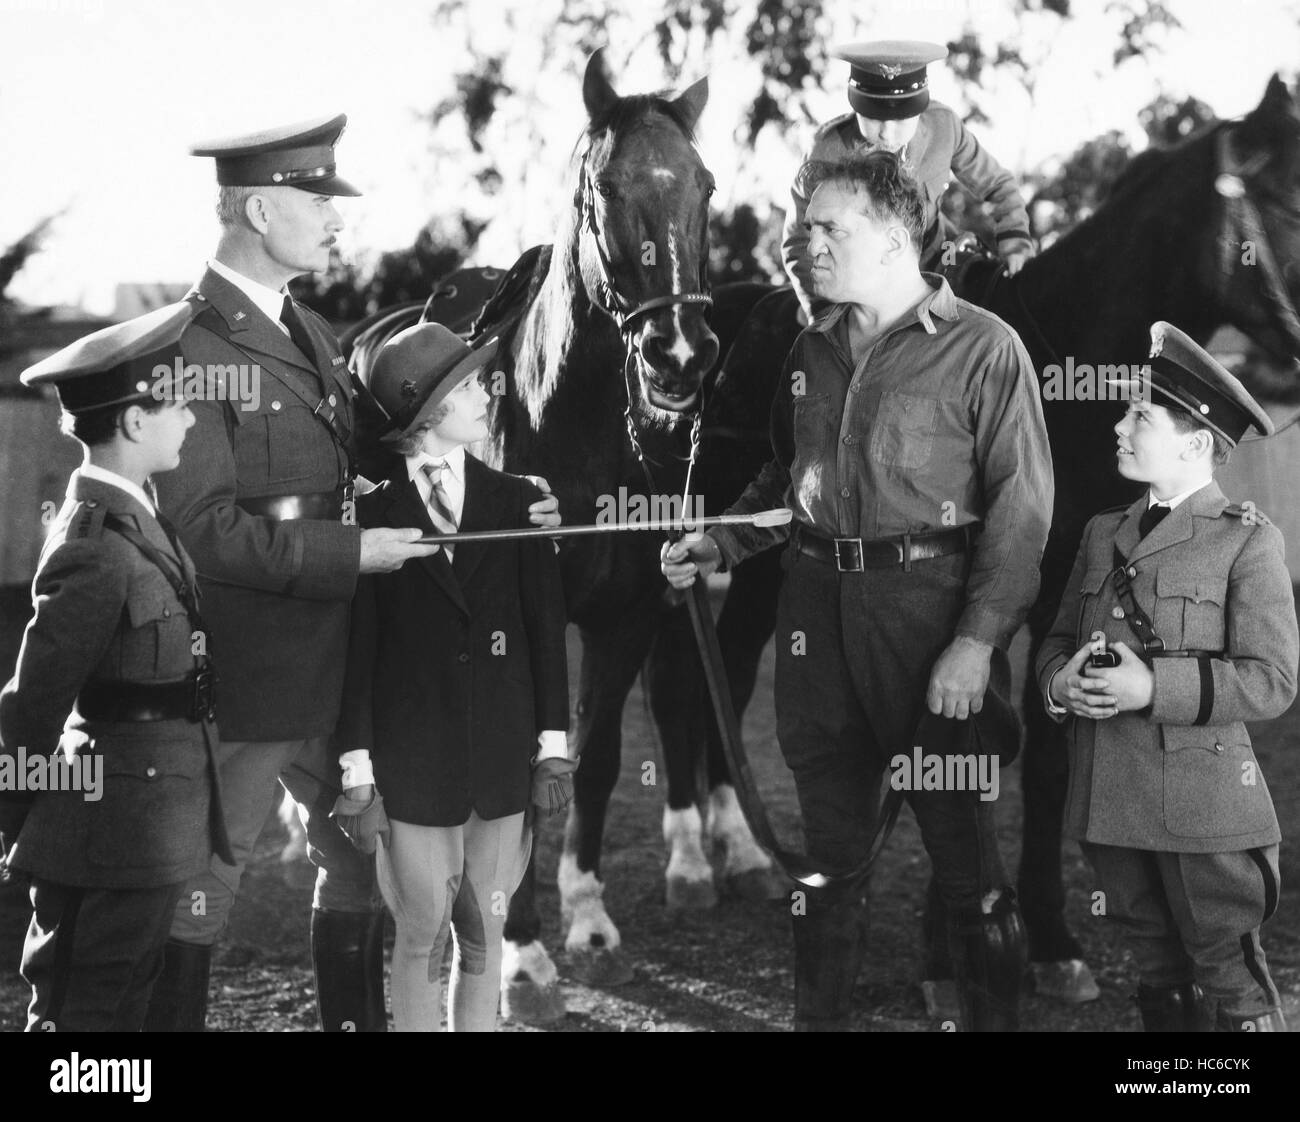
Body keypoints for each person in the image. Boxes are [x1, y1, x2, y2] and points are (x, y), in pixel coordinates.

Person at [146, 114, 561, 1032]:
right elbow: (197, 531)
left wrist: (505, 499)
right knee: (203, 882)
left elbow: (381, 467)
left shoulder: (317, 336)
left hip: (350, 663)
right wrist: (352, 551)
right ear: (257, 207)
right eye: (316, 200)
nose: (338, 220)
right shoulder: (190, 352)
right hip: (249, 668)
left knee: (355, 860)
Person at [663, 150, 1053, 1031]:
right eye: (807, 227)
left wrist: (977, 640)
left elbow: (1022, 515)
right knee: (827, 864)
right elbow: (784, 474)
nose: (808, 245)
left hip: (933, 632)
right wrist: (717, 537)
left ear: (894, 235)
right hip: (817, 634)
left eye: (828, 228)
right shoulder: (808, 348)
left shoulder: (986, 348)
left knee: (966, 867)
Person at [1036, 323, 1298, 1032]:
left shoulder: (1246, 538)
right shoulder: (1101, 532)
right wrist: (1060, 685)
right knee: (1155, 971)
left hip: (1203, 809)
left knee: (1226, 971)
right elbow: (1056, 639)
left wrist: (1154, 688)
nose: (1119, 426)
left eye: (1139, 417)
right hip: (1111, 798)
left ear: (1194, 443)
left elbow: (1272, 679)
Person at [331, 323, 574, 1031]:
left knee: (484, 934)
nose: (486, 392)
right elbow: (357, 655)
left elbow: (544, 634)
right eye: (468, 386)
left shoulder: (518, 503)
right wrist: (356, 772)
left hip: (501, 766)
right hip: (411, 774)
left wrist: (553, 743)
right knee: (419, 936)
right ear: (427, 410)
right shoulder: (372, 517)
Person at [0, 305, 231, 1030]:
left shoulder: (137, 518)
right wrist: (12, 823)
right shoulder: (95, 542)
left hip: (149, 819)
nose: (190, 419)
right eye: (178, 403)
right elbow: (34, 701)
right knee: (83, 1013)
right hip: (106, 829)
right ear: (134, 421)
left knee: (125, 1000)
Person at [782, 39, 1034, 323]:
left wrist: (1015, 240)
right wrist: (821, 309)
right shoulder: (826, 151)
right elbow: (797, 241)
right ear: (855, 105)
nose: (887, 133)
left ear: (920, 107)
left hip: (940, 261)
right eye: (874, 117)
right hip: (863, 280)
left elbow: (997, 183)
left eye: (901, 118)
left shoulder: (944, 126)